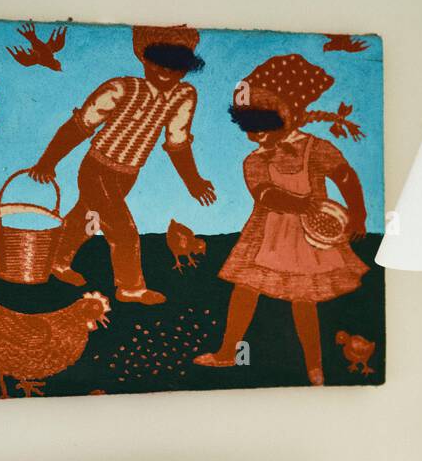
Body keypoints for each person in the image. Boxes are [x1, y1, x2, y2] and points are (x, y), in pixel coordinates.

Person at [194, 54, 368, 386]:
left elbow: (345, 176)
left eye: (262, 125)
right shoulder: (254, 161)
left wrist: (358, 213)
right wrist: (304, 205)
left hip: (311, 236)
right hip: (266, 235)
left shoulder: (316, 148)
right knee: (245, 289)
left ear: (286, 117)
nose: (254, 135)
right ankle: (229, 351)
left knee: (303, 300)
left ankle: (314, 369)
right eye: (248, 127)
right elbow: (265, 196)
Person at [29, 25, 216, 303]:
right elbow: (80, 127)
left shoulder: (184, 96)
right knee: (122, 229)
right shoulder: (121, 88)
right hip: (97, 169)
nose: (166, 71)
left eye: (176, 65)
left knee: (84, 218)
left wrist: (194, 182)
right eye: (159, 61)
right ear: (143, 58)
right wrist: (47, 162)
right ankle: (130, 287)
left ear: (186, 68)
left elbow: (177, 144)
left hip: (128, 175)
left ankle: (54, 261)